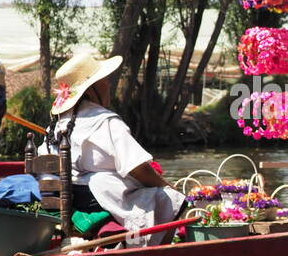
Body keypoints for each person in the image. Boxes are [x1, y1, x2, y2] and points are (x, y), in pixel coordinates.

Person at [43, 52, 186, 245]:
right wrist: (167, 185)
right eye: (105, 80)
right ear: (92, 89)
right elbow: (138, 168)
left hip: (71, 197)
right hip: (99, 200)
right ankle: (159, 253)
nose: (109, 85)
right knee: (172, 198)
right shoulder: (106, 121)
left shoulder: (56, 125)